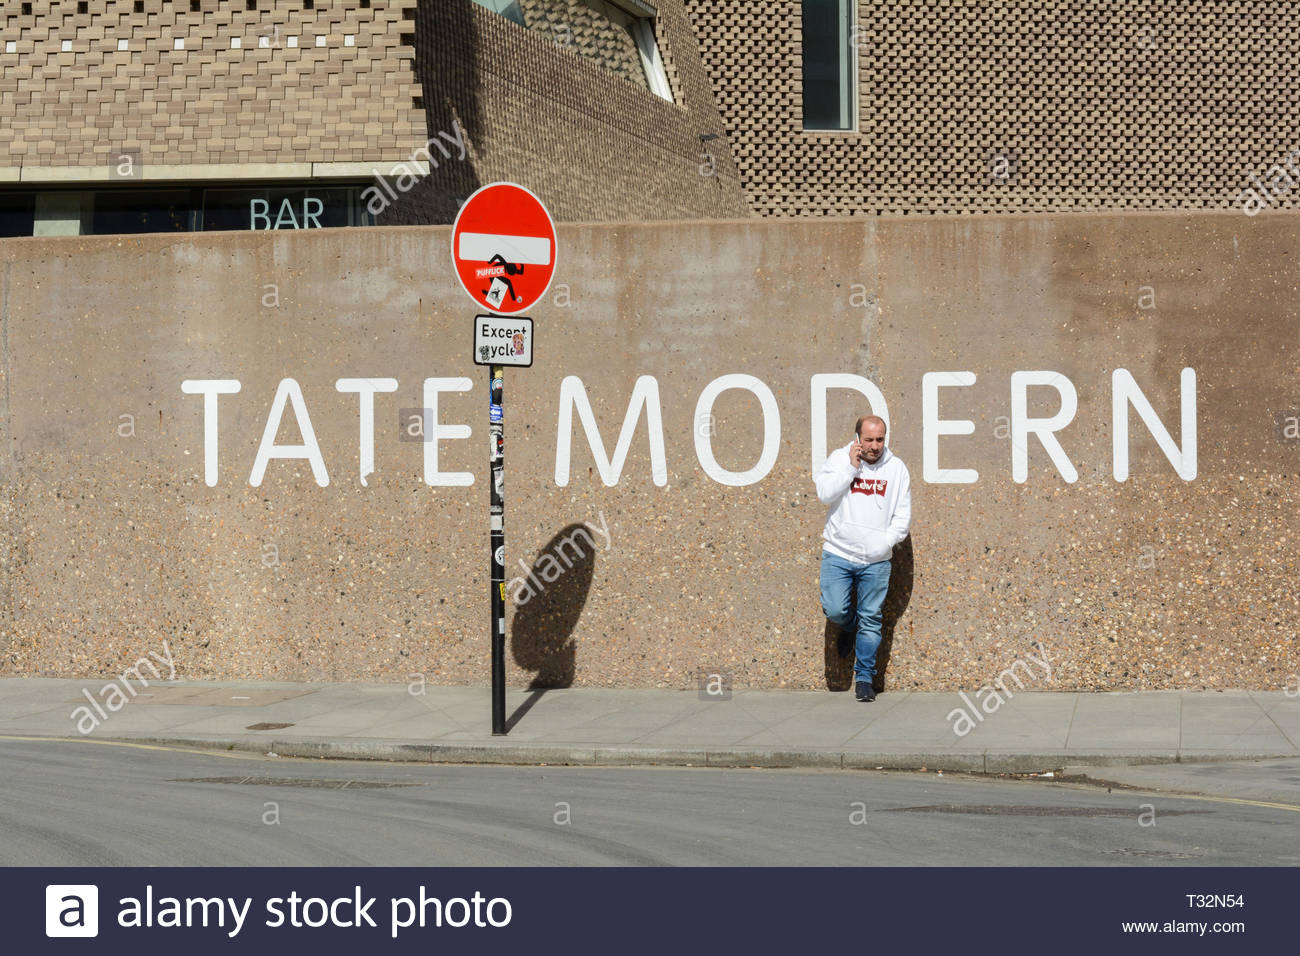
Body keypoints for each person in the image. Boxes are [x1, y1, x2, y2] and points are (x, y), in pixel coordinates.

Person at [814, 414, 912, 701]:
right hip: (838, 553)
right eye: (868, 439)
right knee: (835, 609)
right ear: (857, 439)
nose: (874, 446)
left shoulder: (897, 469)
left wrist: (885, 542)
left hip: (876, 561)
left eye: (880, 439)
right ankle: (846, 626)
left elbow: (902, 515)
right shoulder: (838, 459)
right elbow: (824, 494)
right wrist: (850, 468)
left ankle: (865, 679)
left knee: (871, 618)